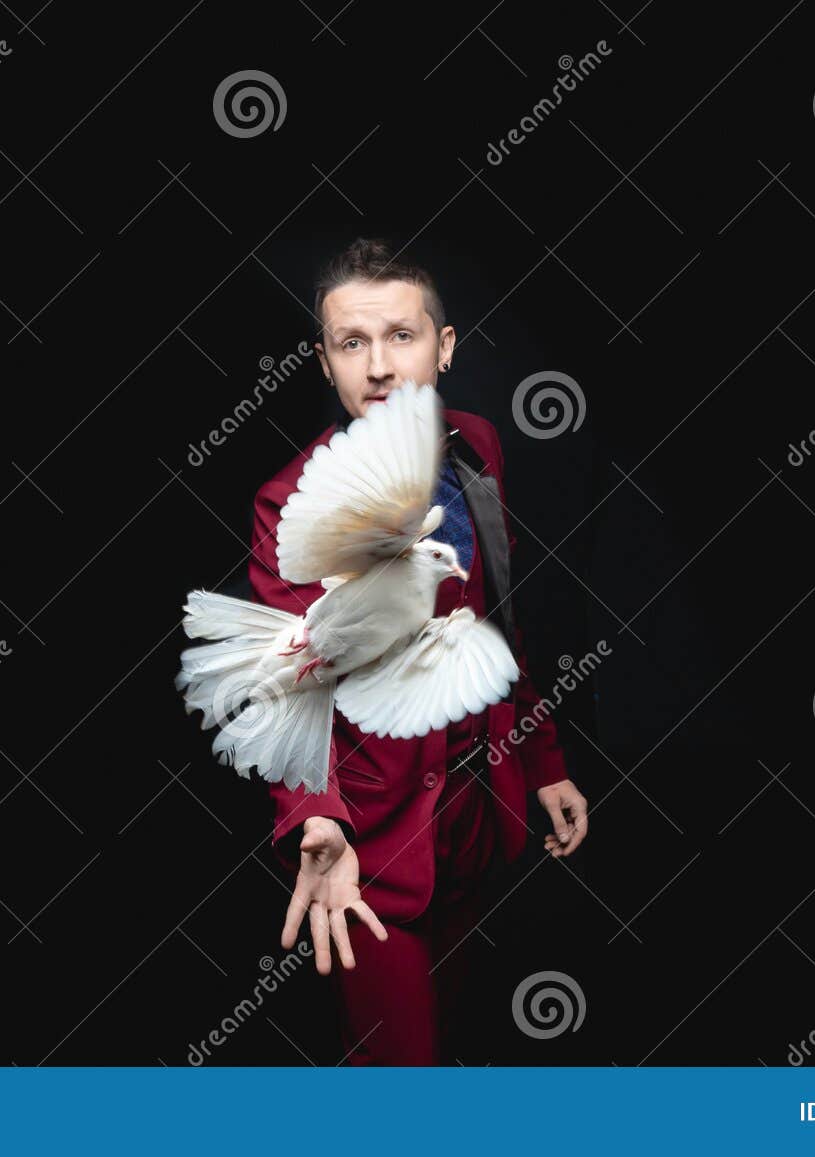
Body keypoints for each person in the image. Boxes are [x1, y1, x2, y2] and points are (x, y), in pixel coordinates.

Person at [247, 237, 588, 1064]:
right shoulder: (288, 501)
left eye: (401, 336)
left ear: (444, 345)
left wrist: (542, 760)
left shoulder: (479, 448)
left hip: (478, 817)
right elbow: (282, 691)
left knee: (459, 1042)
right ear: (325, 361)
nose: (378, 366)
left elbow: (499, 619)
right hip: (370, 847)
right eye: (351, 342)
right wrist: (316, 820)